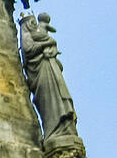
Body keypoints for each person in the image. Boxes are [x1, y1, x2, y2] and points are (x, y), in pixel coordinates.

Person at [20, 12, 79, 143]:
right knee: (48, 99)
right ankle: (53, 130)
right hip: (41, 73)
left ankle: (66, 127)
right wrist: (47, 43)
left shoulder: (40, 35)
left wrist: (49, 45)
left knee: (59, 97)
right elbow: (28, 49)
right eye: (32, 22)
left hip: (50, 68)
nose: (34, 25)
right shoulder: (26, 35)